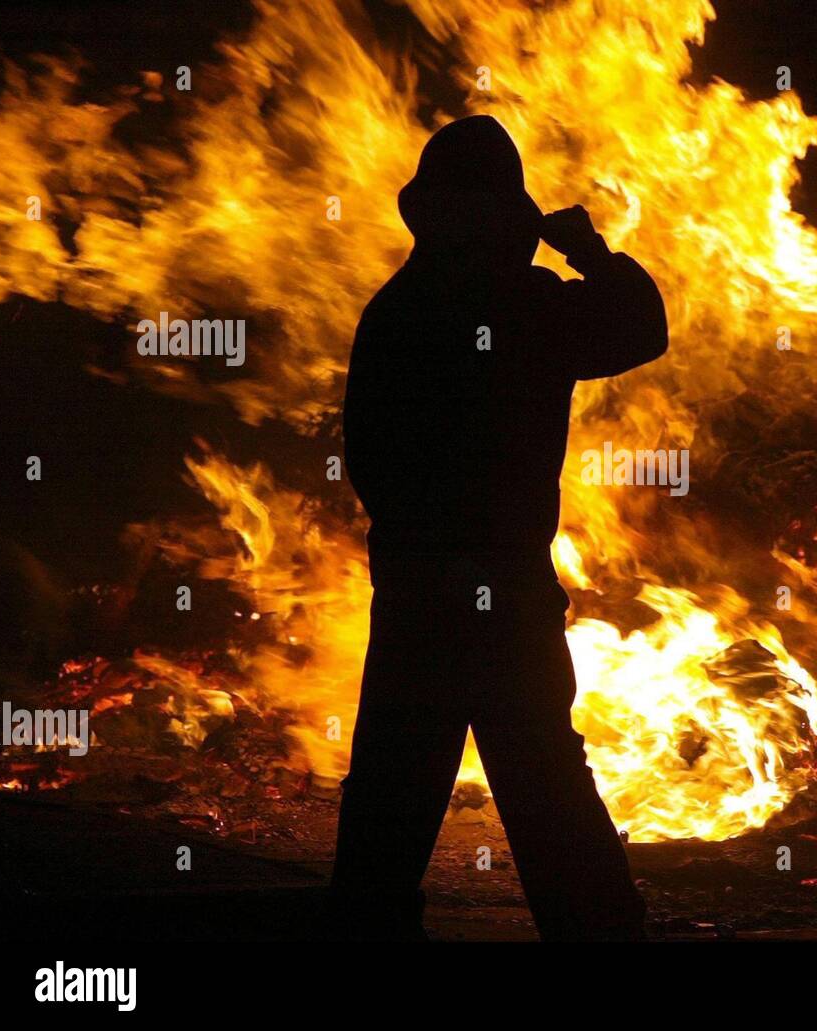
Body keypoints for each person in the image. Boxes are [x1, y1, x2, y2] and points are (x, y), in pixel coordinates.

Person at [331, 115, 667, 941]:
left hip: (421, 597)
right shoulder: (532, 307)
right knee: (548, 793)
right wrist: (587, 251)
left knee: (390, 806)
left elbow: (368, 457)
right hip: (504, 595)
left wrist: (425, 557)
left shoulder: (397, 312)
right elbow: (641, 326)